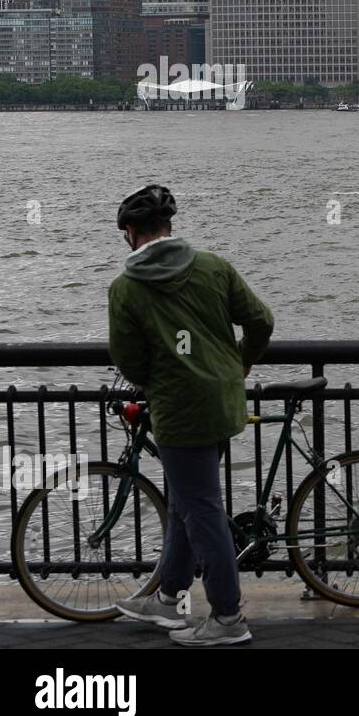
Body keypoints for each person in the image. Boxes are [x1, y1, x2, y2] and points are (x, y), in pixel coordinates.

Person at [108, 184, 274, 646]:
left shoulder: (126, 288)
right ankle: (168, 599)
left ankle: (227, 618)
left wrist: (154, 381)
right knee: (186, 502)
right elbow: (261, 320)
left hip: (180, 413)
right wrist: (239, 362)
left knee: (201, 510)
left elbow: (129, 362)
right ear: (171, 227)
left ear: (131, 233)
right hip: (223, 402)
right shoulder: (214, 267)